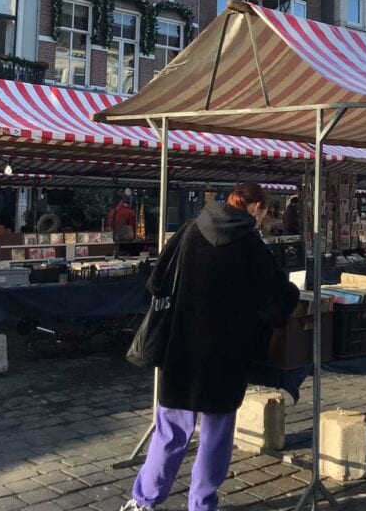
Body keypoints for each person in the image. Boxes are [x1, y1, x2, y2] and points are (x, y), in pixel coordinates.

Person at [123, 182, 299, 511]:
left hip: (182, 346)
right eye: (266, 210)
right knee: (215, 437)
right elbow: (280, 297)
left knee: (171, 429)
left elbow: (156, 282)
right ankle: (202, 505)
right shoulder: (250, 244)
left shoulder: (190, 229)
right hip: (225, 353)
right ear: (256, 207)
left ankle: (144, 500)